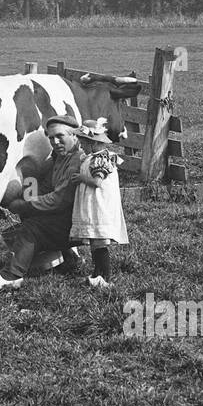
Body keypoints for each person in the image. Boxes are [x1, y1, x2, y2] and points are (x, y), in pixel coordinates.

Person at [0, 116, 84, 288]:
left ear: (75, 136)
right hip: (68, 217)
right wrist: (19, 202)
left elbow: (59, 200)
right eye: (51, 138)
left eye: (60, 136)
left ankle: (12, 276)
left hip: (79, 224)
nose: (55, 141)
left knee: (32, 228)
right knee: (28, 215)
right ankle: (68, 258)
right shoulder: (60, 157)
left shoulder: (77, 160)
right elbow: (45, 188)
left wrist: (25, 205)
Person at [70, 119, 129, 289]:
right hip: (93, 204)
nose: (82, 147)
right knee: (95, 242)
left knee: (99, 243)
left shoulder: (102, 158)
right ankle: (97, 273)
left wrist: (82, 178)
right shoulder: (93, 157)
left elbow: (97, 182)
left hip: (100, 206)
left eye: (84, 143)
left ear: (94, 143)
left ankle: (105, 276)